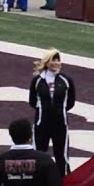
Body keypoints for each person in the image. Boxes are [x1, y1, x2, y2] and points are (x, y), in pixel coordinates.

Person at [28, 48, 75, 176]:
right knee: (39, 154)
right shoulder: (37, 80)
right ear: (47, 62)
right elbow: (32, 101)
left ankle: (64, 181)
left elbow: (70, 102)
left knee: (62, 156)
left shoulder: (66, 81)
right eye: (53, 59)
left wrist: (59, 111)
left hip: (60, 124)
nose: (56, 62)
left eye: (58, 60)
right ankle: (37, 182)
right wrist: (45, 111)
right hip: (41, 123)